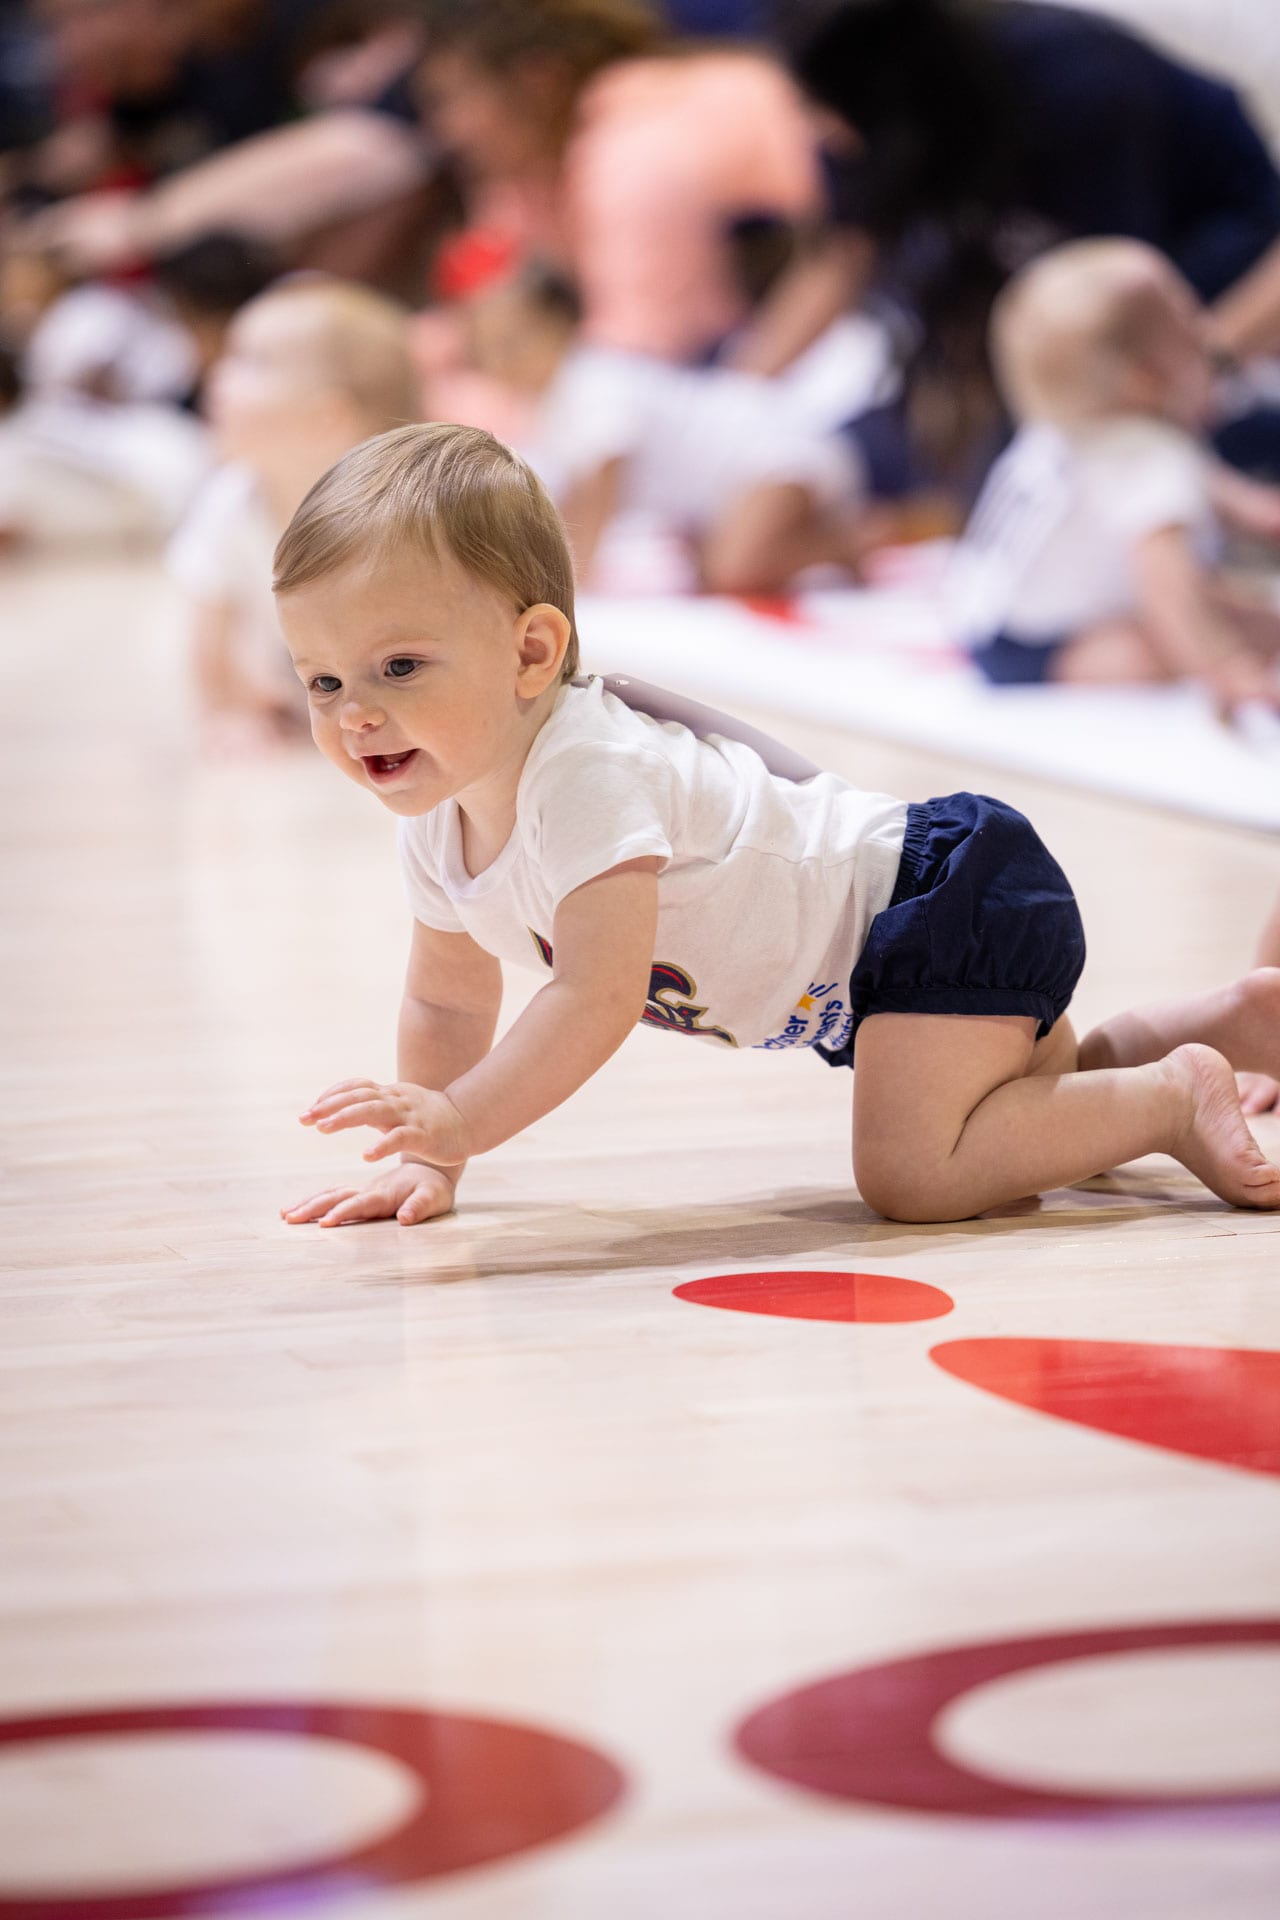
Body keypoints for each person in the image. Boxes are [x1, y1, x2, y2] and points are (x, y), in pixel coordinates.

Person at [267, 421, 1280, 1229]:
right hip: (888, 955)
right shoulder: (440, 820)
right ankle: (1223, 1026)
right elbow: (445, 1005)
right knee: (1018, 1107)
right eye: (322, 680)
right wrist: (424, 1157)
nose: (353, 712)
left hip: (935, 905)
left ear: (532, 654)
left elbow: (594, 995)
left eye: (398, 667)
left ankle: (1174, 1095)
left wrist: (458, 1123)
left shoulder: (583, 773)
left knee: (917, 1174)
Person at [745, 0, 1280, 496]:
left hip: (1208, 258)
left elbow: (1113, 302)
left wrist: (1203, 370)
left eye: (818, 109)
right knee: (896, 446)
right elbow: (844, 254)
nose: (817, 130)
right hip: (1056, 271)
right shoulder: (867, 122)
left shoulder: (1074, 81)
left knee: (1083, 437)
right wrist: (736, 396)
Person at [951, 240, 1280, 711]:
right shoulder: (1151, 457)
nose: (1209, 332)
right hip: (1043, 646)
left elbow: (1208, 491)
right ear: (1147, 379)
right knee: (1165, 643)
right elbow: (1167, 583)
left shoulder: (1063, 430)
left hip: (984, 614)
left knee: (1237, 615)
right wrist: (1226, 667)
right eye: (1190, 324)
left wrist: (1258, 514)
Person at [464, 264, 872, 591]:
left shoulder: (592, 379)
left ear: (560, 326)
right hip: (728, 490)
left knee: (733, 569)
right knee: (709, 569)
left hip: (775, 450)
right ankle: (811, 537)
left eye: (514, 343)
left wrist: (569, 581)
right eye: (491, 351)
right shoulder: (556, 406)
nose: (503, 364)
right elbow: (576, 494)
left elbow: (604, 481)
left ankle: (861, 538)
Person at [167, 273, 421, 750]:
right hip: (301, 683)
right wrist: (225, 711)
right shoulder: (231, 501)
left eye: (251, 362)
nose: (219, 374)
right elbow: (209, 629)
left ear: (326, 418)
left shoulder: (391, 513)